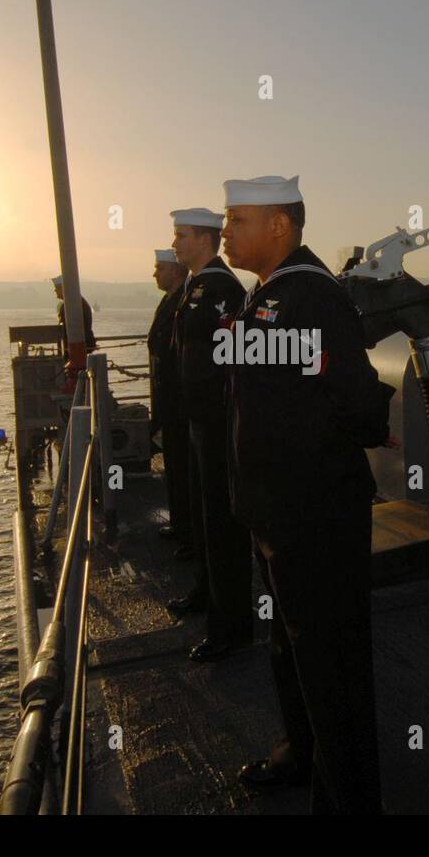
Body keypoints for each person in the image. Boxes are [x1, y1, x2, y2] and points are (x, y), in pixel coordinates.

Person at [222, 175, 394, 815]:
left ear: (280, 227)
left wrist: (374, 426)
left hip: (315, 517)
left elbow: (354, 396)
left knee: (334, 668)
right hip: (276, 514)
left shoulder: (313, 299)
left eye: (238, 220)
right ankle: (300, 752)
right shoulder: (268, 295)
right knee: (290, 647)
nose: (226, 232)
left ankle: (348, 801)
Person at [165, 207, 253, 661]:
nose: (175, 242)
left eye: (181, 235)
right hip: (198, 422)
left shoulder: (220, 287)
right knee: (204, 516)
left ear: (204, 239)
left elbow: (233, 357)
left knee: (223, 524)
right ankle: (206, 590)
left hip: (219, 423)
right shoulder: (197, 286)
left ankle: (232, 625)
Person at [147, 249, 196, 556]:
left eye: (159, 268)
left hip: (182, 400)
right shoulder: (171, 300)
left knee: (185, 468)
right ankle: (181, 523)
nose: (155, 274)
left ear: (176, 271)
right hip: (170, 398)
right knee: (175, 465)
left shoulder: (184, 301)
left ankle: (190, 533)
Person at [52, 274, 97, 352]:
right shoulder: (76, 301)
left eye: (57, 288)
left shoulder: (70, 304)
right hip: (81, 345)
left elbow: (64, 328)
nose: (55, 291)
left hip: (77, 347)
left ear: (64, 288)